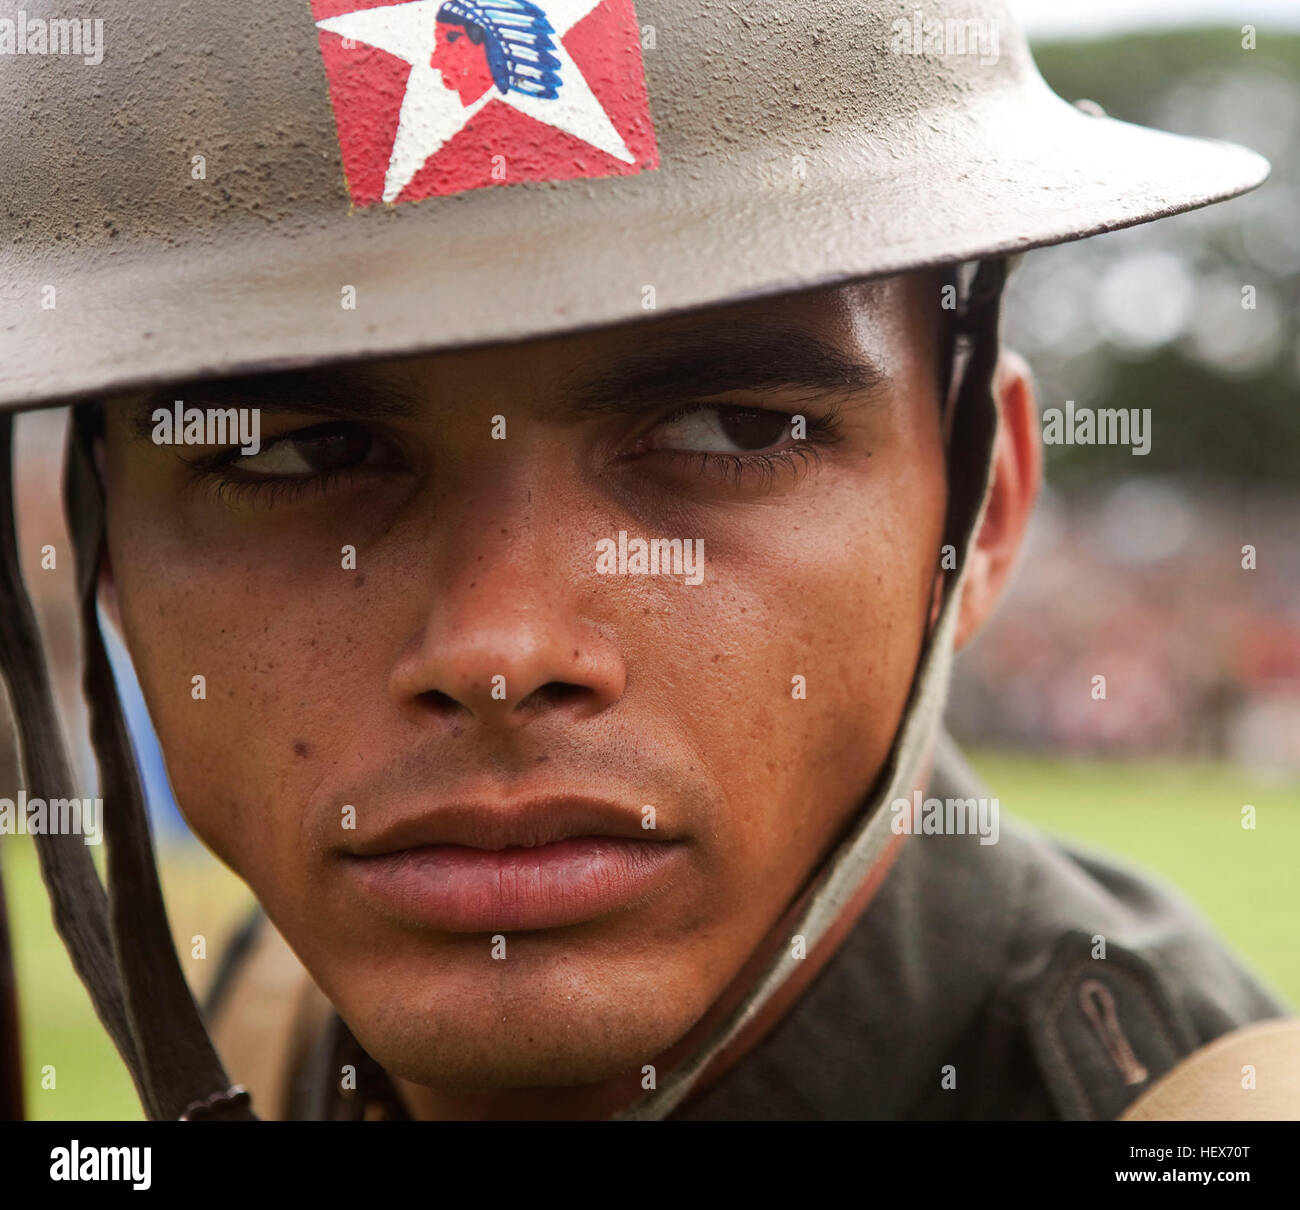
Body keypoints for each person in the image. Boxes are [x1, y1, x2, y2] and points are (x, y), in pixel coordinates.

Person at [0, 0, 1293, 1122]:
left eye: (726, 431)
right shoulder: (268, 1028)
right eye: (297, 454)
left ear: (983, 511)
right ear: (107, 548)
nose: (501, 650)